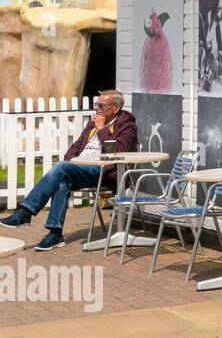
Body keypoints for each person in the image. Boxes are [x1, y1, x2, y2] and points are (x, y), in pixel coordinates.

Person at [0, 90, 138, 251]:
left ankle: (25, 213)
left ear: (115, 108)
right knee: (62, 180)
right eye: (96, 104)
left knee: (61, 168)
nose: (97, 108)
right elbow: (76, 147)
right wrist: (73, 160)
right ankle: (55, 234)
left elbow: (119, 152)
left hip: (105, 171)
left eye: (101, 105)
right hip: (82, 168)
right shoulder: (92, 123)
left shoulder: (127, 126)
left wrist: (101, 130)